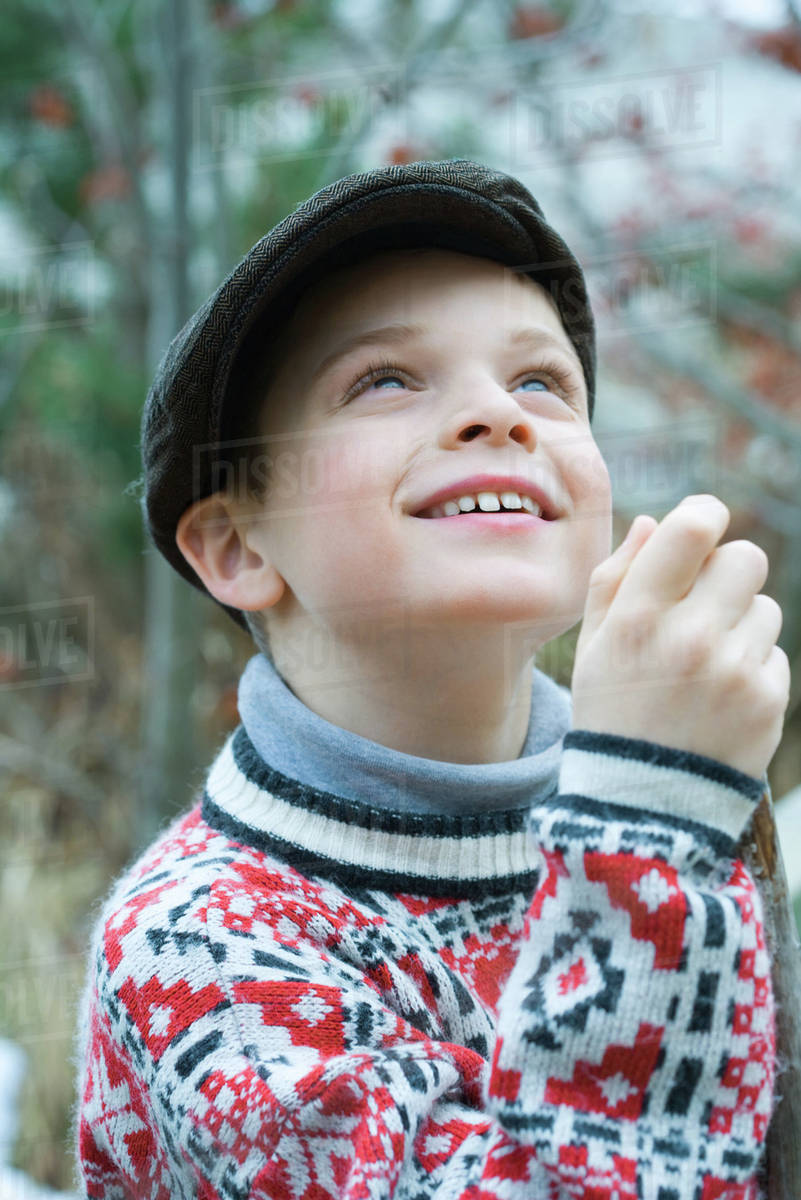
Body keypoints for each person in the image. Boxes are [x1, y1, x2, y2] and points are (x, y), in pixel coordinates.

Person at [74, 160, 788, 1199]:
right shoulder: (192, 947)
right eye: (386, 381)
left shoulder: (678, 799)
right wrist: (648, 820)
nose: (500, 415)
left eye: (542, 381)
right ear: (235, 547)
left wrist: (666, 805)